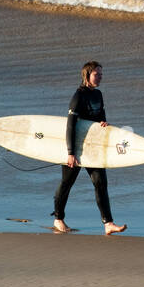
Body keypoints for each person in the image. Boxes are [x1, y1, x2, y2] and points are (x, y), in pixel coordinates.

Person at [52, 60, 127, 235]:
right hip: (76, 147)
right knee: (67, 183)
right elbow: (70, 125)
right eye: (96, 74)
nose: (100, 77)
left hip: (93, 147)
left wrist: (103, 123)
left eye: (101, 74)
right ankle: (58, 218)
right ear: (87, 75)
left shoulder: (98, 95)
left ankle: (108, 223)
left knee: (101, 183)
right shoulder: (79, 96)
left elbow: (101, 116)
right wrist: (70, 153)